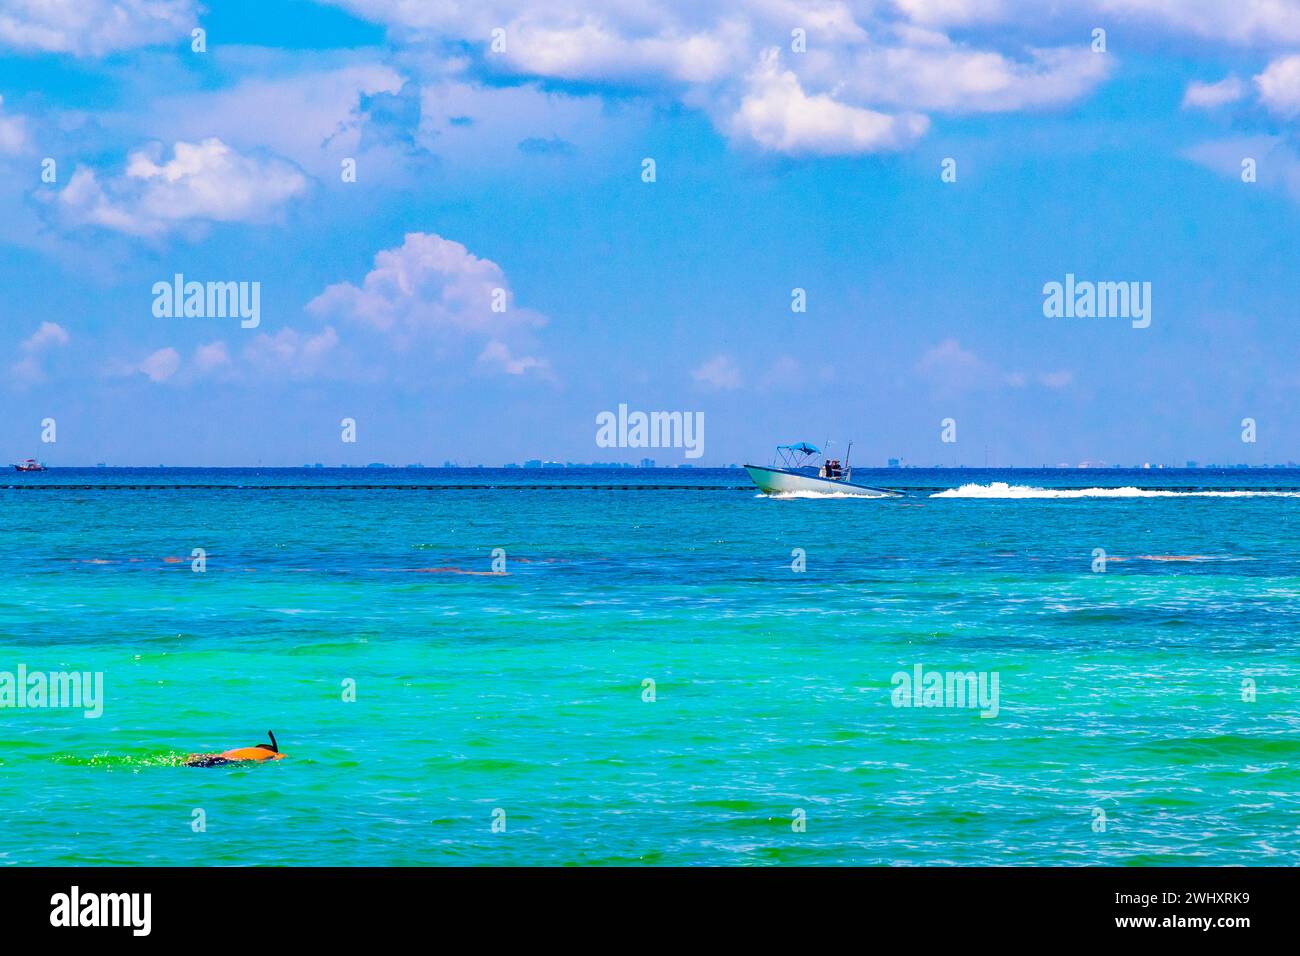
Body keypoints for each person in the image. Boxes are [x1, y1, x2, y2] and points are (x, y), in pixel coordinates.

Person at [184, 731, 285, 767]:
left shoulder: (248, 749)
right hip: (231, 760)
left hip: (224, 755)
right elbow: (282, 756)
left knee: (200, 762)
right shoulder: (271, 754)